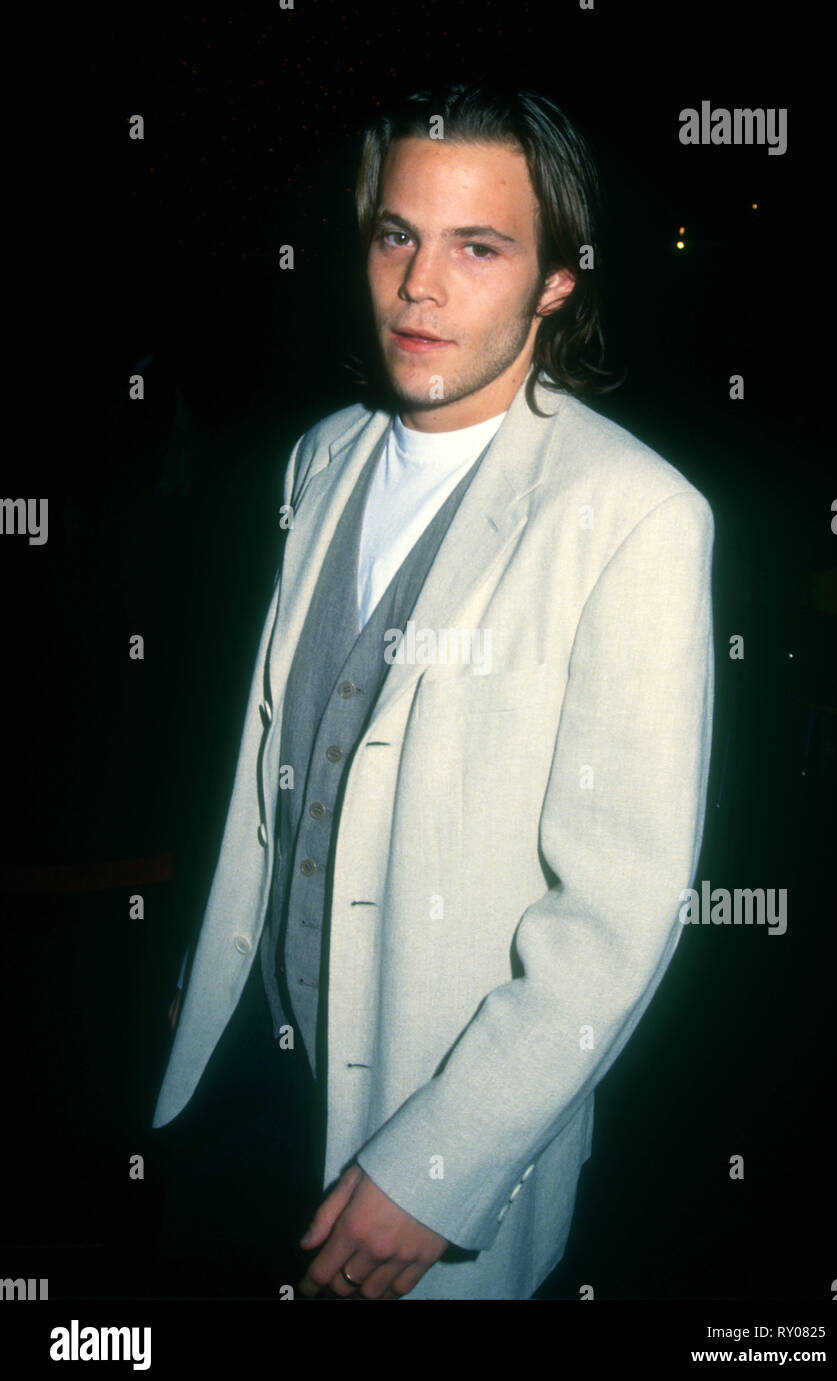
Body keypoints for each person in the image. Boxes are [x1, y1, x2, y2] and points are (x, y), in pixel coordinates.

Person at [150, 80, 715, 1301]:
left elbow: (617, 912)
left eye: (478, 246)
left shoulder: (633, 517)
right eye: (399, 233)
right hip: (242, 1078)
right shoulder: (322, 453)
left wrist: (439, 1166)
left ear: (557, 279)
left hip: (424, 1121)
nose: (420, 284)